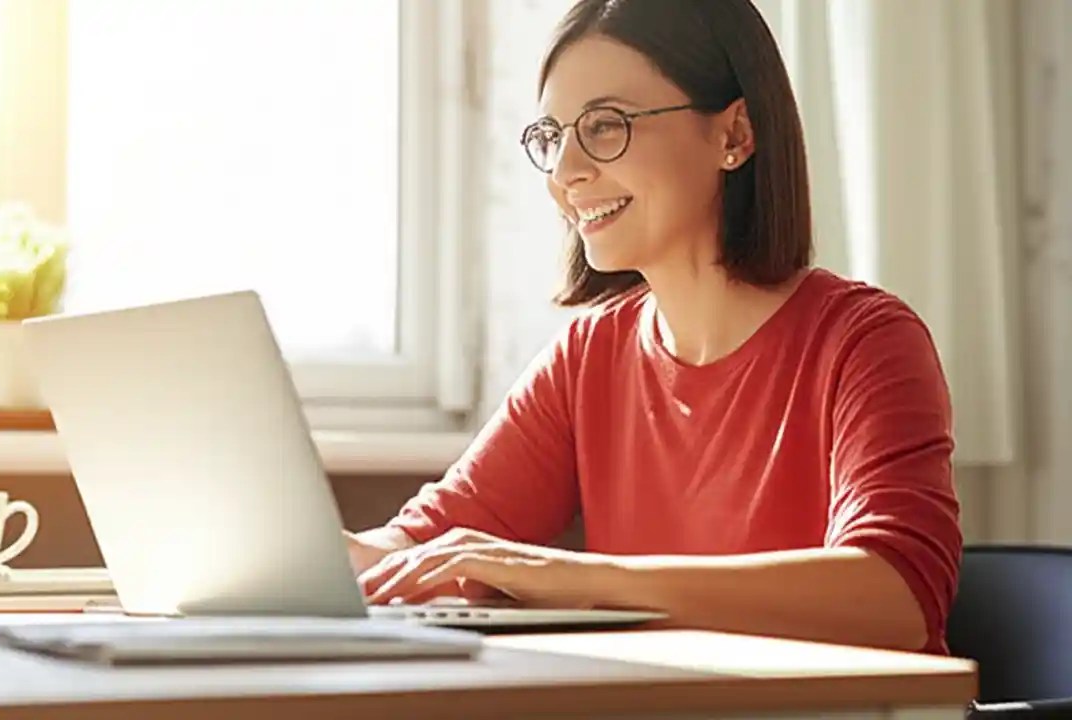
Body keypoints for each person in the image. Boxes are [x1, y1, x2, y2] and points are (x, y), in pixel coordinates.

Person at [347, 0, 961, 655]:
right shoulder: (589, 358)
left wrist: (581, 580)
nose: (565, 173)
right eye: (553, 136)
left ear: (734, 135)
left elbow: (896, 598)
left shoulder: (866, 342)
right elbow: (415, 552)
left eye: (605, 126)